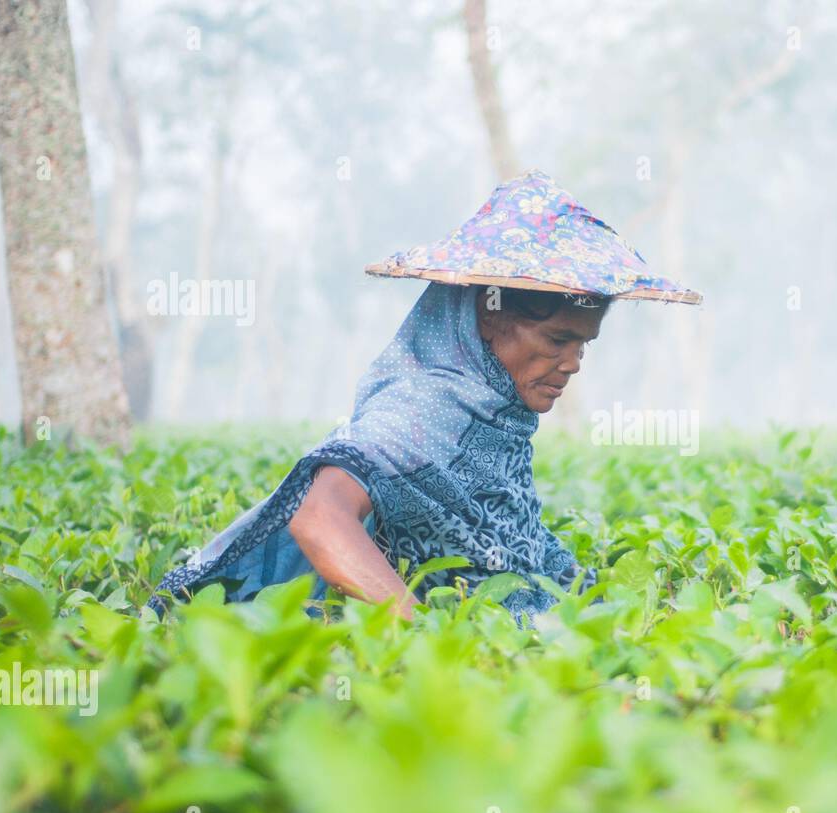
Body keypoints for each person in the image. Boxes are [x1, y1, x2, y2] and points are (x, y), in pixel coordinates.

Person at [147, 169, 701, 624]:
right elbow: (319, 517)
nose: (573, 363)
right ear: (488, 317)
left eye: (584, 344)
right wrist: (418, 632)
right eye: (558, 340)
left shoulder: (492, 416)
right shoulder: (424, 409)